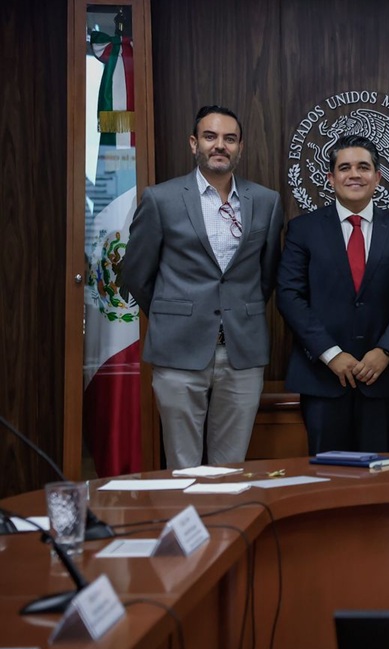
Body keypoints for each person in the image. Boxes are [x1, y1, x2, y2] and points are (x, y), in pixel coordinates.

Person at [123, 105, 284, 467]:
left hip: (242, 350)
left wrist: (235, 311)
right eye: (210, 137)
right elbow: (136, 273)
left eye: (230, 138)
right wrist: (173, 314)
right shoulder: (160, 199)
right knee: (183, 466)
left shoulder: (266, 201)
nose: (220, 145)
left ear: (240, 147)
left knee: (231, 465)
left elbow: (268, 273)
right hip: (178, 348)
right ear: (194, 143)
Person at [276, 134, 389, 454]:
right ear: (331, 178)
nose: (355, 174)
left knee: (381, 474)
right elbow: (289, 295)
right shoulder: (303, 229)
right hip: (322, 378)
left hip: (383, 378)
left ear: (378, 177)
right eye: (345, 168)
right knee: (328, 474)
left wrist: (385, 351)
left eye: (363, 167)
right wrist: (330, 353)